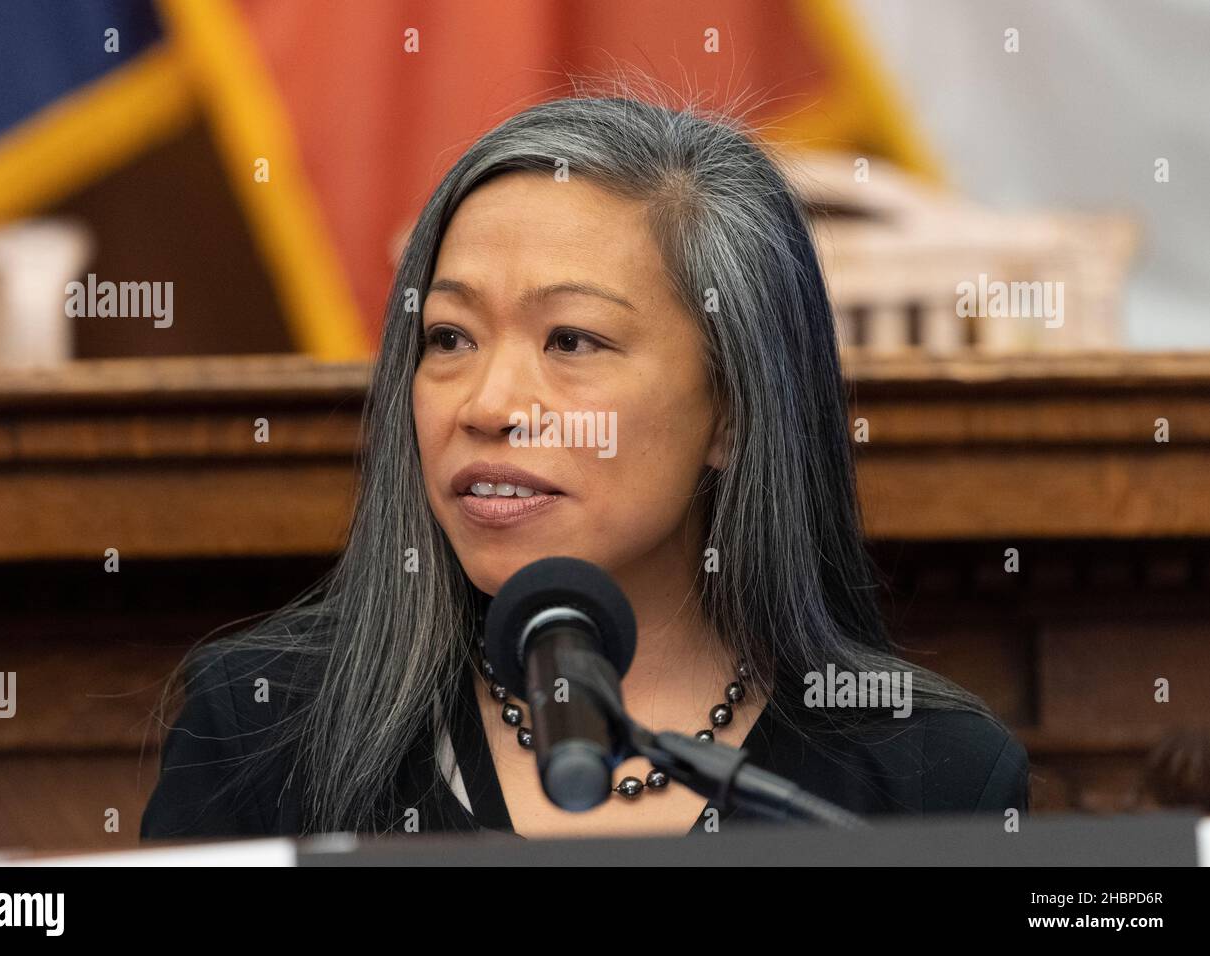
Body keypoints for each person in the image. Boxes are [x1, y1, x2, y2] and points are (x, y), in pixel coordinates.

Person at [141, 91, 1029, 843]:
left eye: (572, 339)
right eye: (448, 337)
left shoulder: (930, 779)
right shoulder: (259, 725)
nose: (486, 405)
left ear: (733, 410)